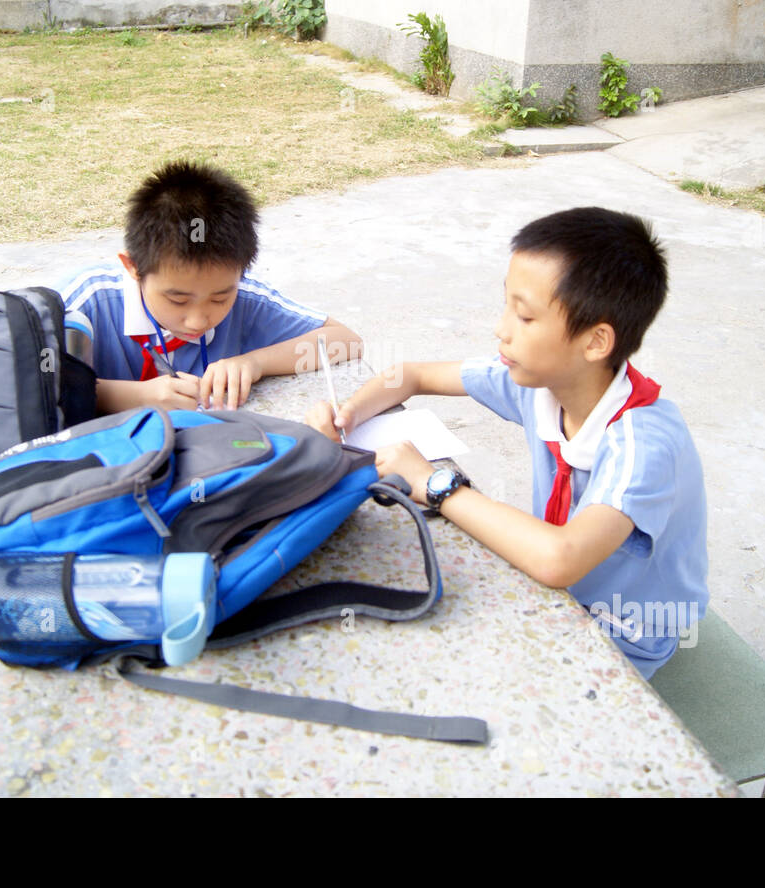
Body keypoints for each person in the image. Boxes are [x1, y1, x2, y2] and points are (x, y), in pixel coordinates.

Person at [305, 207, 708, 677]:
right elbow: (411, 375)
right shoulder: (539, 383)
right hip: (558, 591)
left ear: (596, 342)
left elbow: (560, 559)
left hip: (624, 632)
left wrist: (437, 483)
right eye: (506, 306)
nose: (502, 329)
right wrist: (350, 413)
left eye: (525, 315)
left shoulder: (641, 444)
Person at [60, 161, 361, 414]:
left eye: (219, 298)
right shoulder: (87, 301)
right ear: (133, 269)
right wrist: (131, 397)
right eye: (177, 300)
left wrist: (255, 362)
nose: (198, 320)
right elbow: (21, 381)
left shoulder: (245, 299)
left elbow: (345, 341)